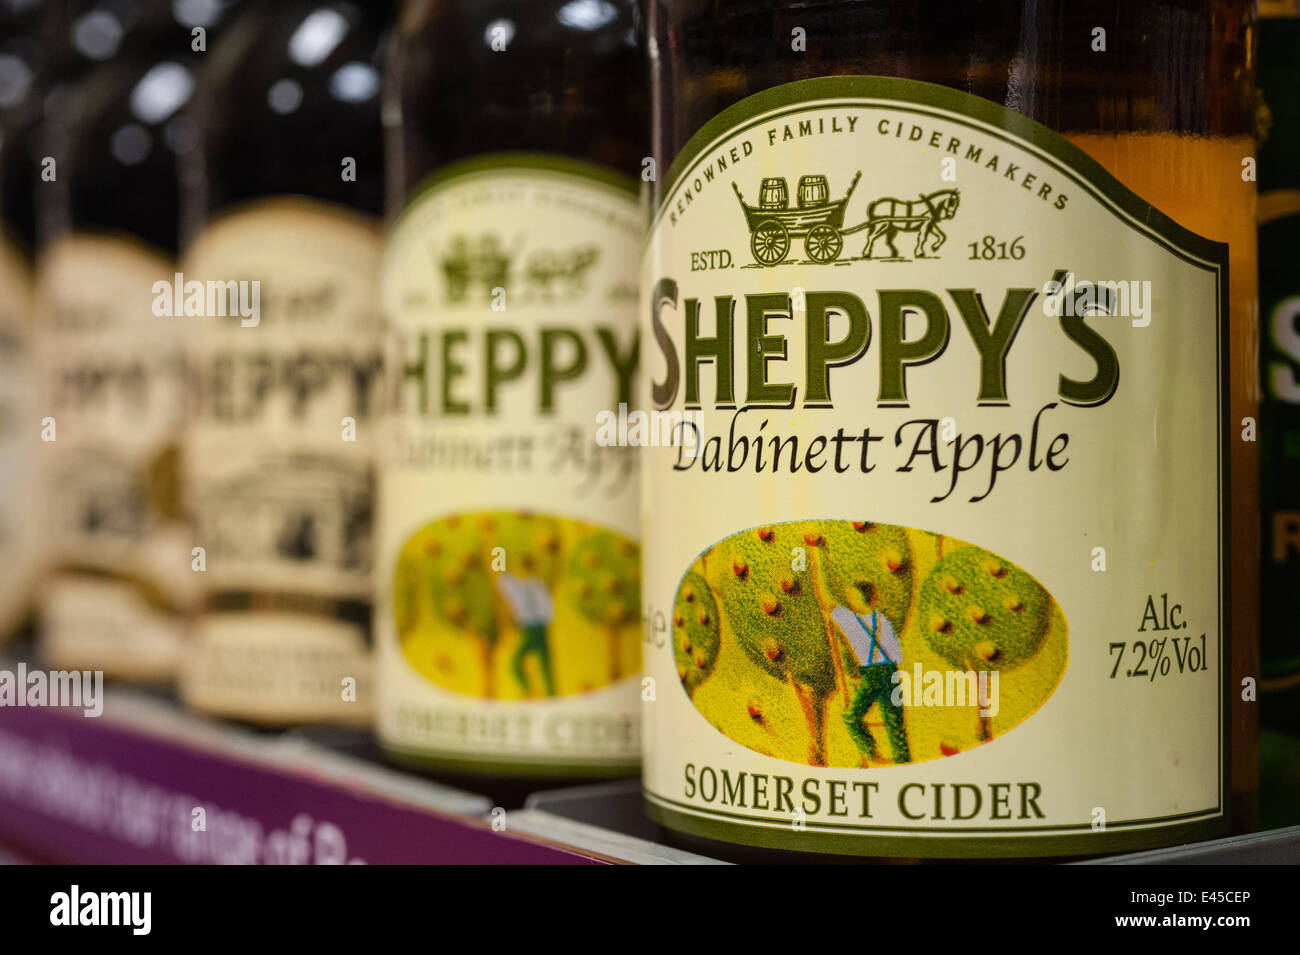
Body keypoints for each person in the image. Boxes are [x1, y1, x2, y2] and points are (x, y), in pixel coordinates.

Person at [833, 606, 910, 765]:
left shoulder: (853, 620)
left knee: (851, 717)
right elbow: (897, 653)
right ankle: (903, 762)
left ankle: (871, 754)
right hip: (891, 671)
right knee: (895, 722)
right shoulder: (884, 619)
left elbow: (831, 608)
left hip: (873, 673)